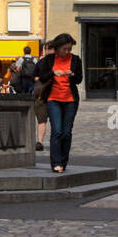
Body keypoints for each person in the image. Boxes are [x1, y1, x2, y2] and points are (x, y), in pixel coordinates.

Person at [36, 33, 83, 173]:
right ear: (57, 48)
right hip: (53, 99)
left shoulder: (75, 60)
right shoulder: (49, 60)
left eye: (69, 49)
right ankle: (56, 163)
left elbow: (79, 79)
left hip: (70, 100)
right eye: (65, 49)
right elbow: (41, 77)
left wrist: (72, 75)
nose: (67, 52)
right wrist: (53, 73)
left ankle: (63, 161)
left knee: (66, 133)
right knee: (57, 131)